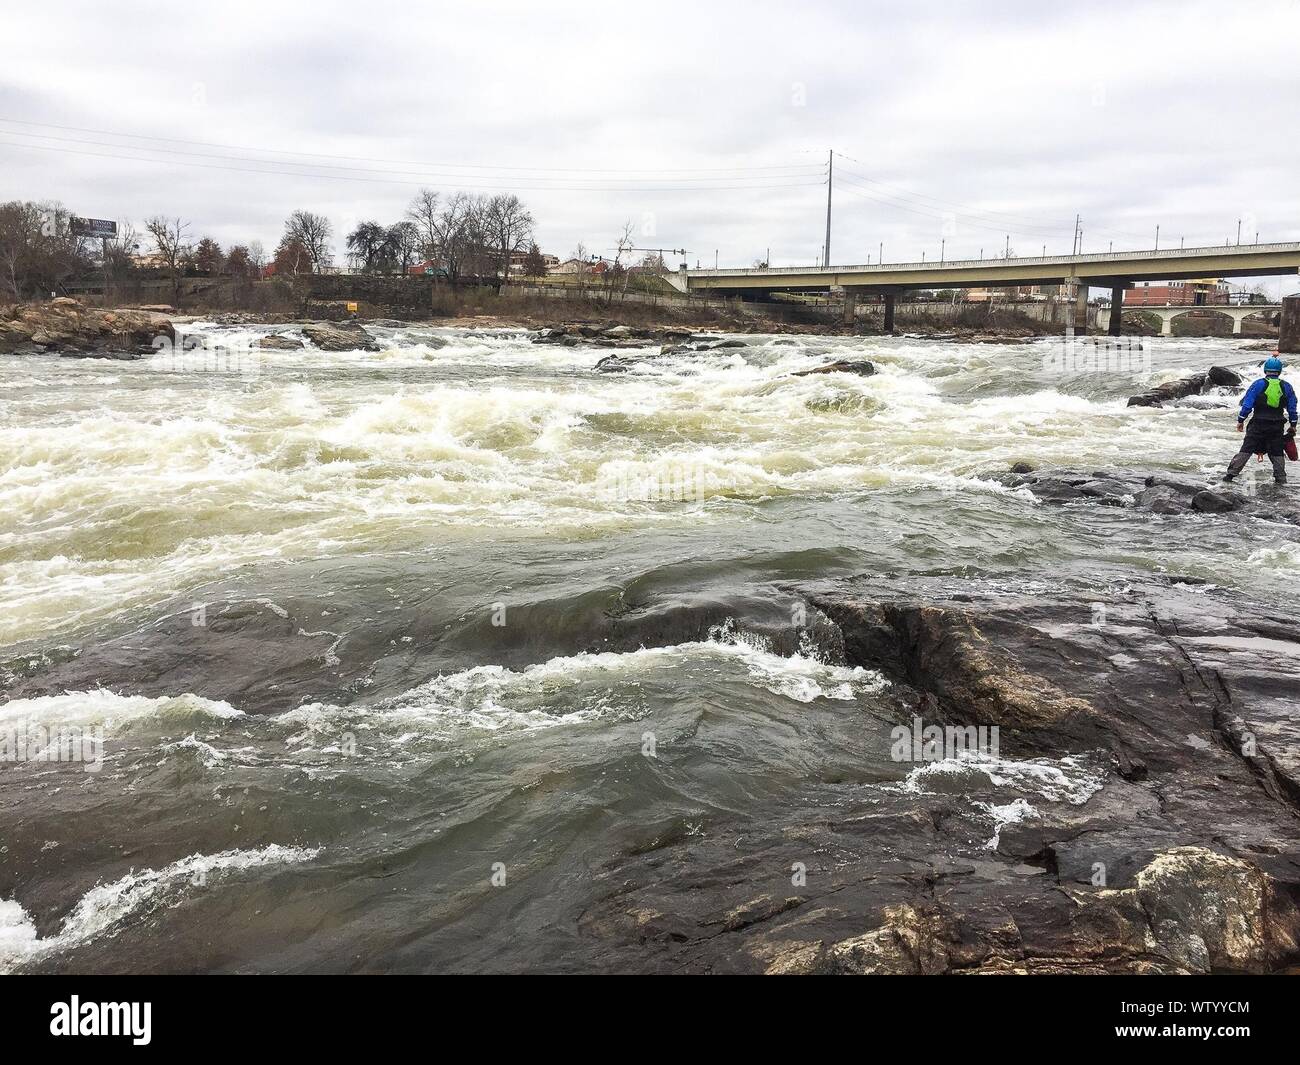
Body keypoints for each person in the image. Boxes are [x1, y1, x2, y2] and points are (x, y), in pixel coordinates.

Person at [1224, 354, 1298, 485]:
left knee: (1246, 449)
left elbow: (1247, 405)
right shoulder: (1287, 387)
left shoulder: (1258, 384)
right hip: (1277, 426)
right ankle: (1281, 480)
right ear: (1279, 371)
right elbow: (1292, 409)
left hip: (1258, 424)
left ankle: (1230, 476)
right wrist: (1293, 425)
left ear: (1265, 370)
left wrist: (1240, 421)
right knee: (1277, 452)